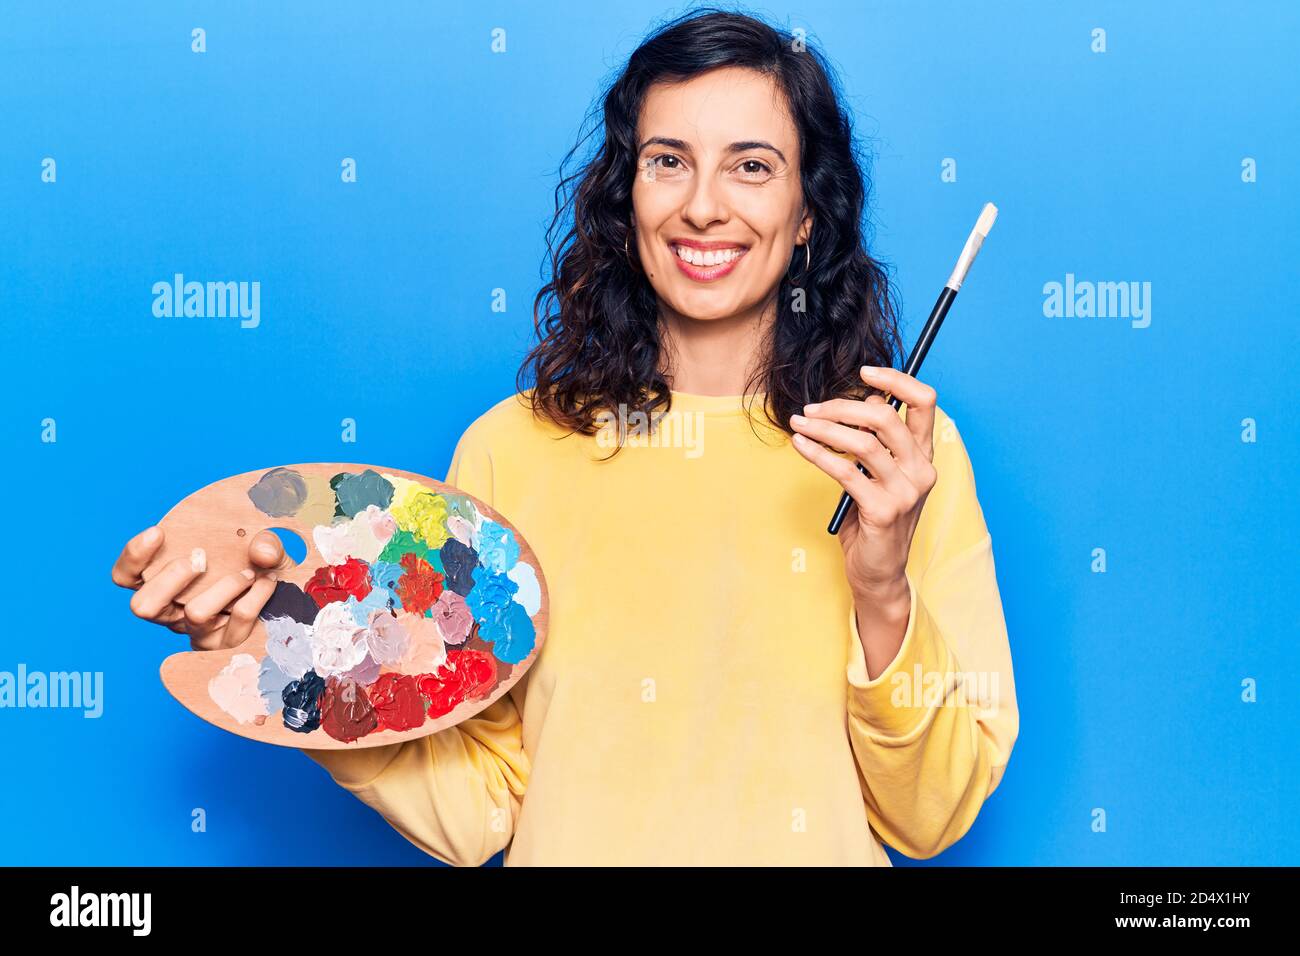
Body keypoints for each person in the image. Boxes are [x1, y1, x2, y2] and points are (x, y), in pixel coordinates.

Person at [112, 10, 1018, 866]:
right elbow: (481, 810)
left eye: (751, 166)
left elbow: (929, 818)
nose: (704, 207)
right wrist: (282, 654)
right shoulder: (512, 450)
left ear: (809, 210)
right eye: (669, 161)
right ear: (628, 195)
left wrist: (881, 587)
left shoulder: (893, 461)